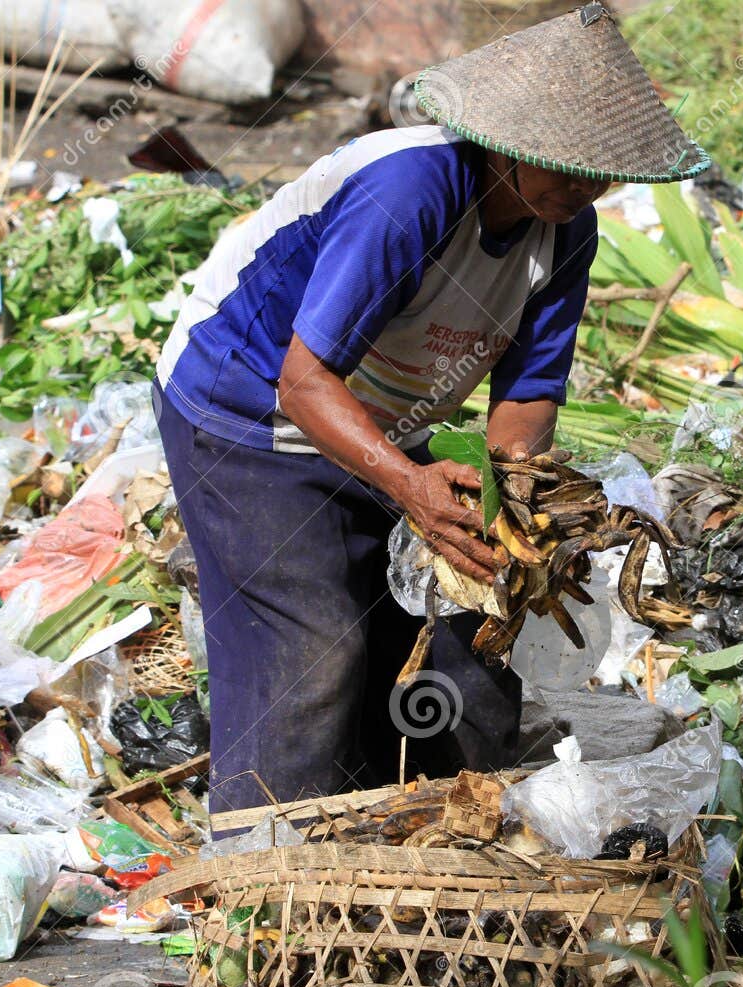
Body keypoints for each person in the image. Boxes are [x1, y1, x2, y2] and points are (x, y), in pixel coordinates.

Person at [154, 3, 707, 836]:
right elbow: (304, 382)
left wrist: (515, 501)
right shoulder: (410, 192)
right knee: (315, 651)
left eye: (597, 171)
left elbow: (523, 397)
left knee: (470, 635)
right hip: (247, 414)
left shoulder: (566, 232)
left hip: (386, 420)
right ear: (505, 142)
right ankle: (259, 877)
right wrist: (409, 484)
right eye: (563, 165)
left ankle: (436, 831)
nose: (580, 188)